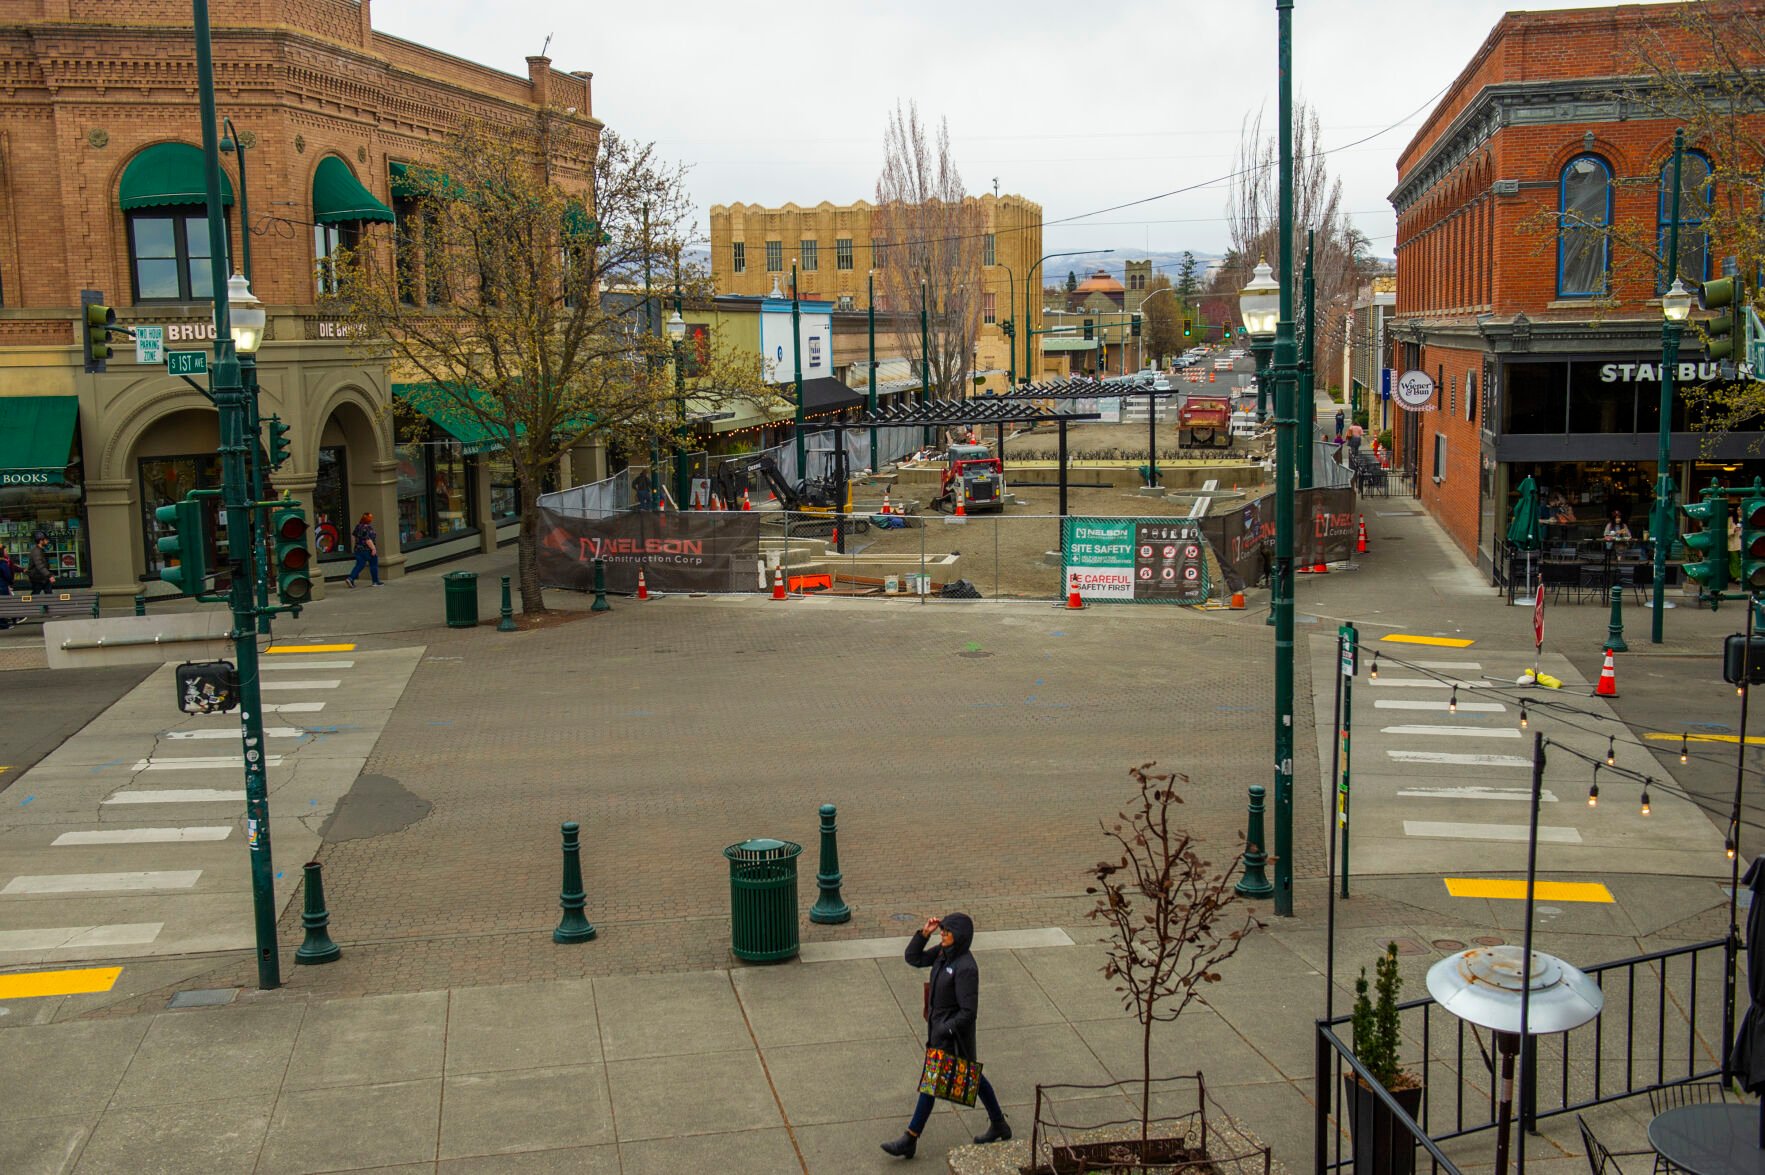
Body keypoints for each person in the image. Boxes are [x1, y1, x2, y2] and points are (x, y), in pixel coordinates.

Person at [881, 912, 1010, 1159]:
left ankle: (910, 1137)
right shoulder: (942, 952)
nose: (943, 934)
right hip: (939, 1030)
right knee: (971, 1078)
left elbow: (968, 1012)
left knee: (932, 1084)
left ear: (959, 936)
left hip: (952, 1036)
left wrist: (945, 1028)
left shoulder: (966, 968)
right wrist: (924, 934)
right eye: (942, 930)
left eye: (947, 931)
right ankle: (999, 1124)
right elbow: (913, 958)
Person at [345, 513, 381, 587]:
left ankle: (351, 578)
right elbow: (368, 539)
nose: (371, 519)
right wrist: (373, 548)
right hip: (367, 550)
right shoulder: (368, 528)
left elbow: (353, 536)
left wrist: (357, 545)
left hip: (358, 549)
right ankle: (375, 581)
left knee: (360, 564)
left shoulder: (358, 526)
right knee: (373, 564)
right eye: (370, 518)